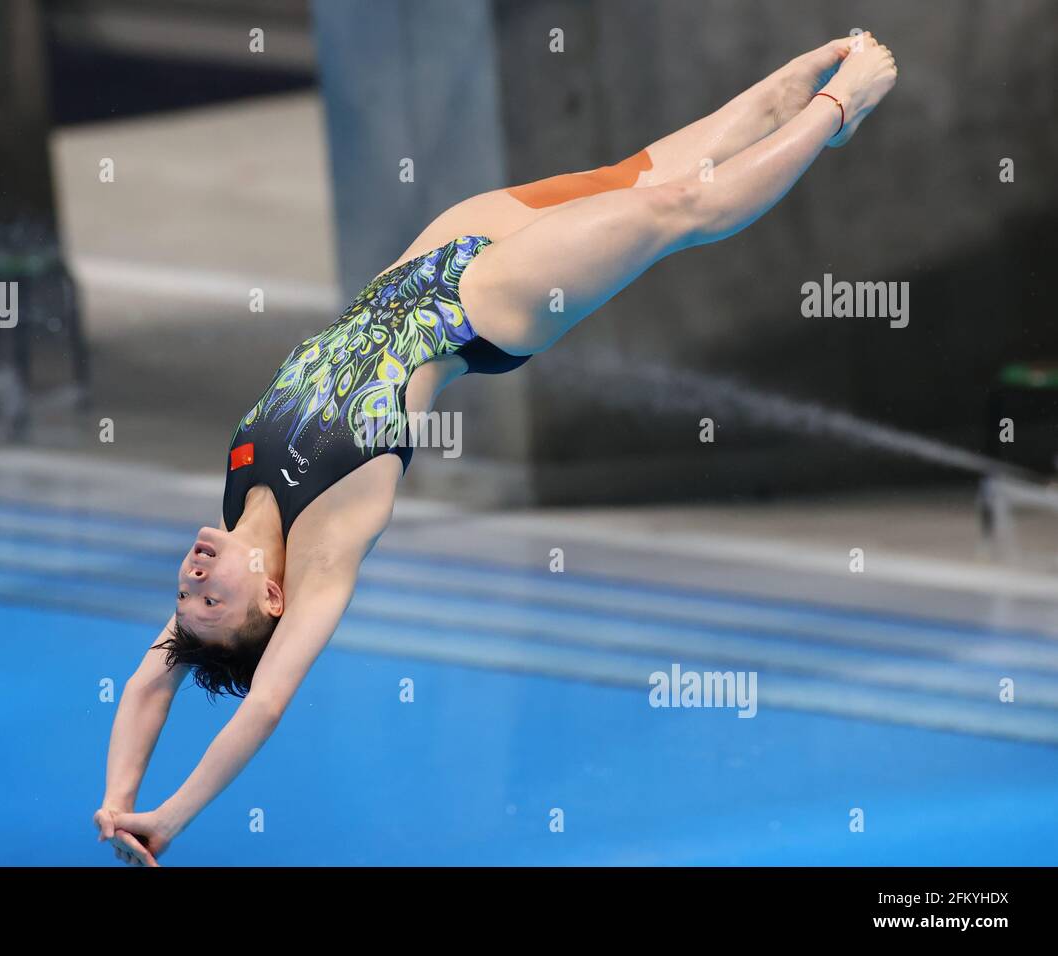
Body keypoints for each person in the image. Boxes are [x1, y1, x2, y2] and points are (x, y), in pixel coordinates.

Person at [94, 34, 897, 865]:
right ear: (271, 597)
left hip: (431, 258)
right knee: (678, 210)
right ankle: (840, 109)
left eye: (184, 595)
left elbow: (153, 679)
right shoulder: (323, 553)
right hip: (488, 311)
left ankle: (796, 84)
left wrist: (118, 799)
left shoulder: (239, 505)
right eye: (210, 600)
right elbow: (263, 704)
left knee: (641, 172)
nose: (192, 580)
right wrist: (169, 817)